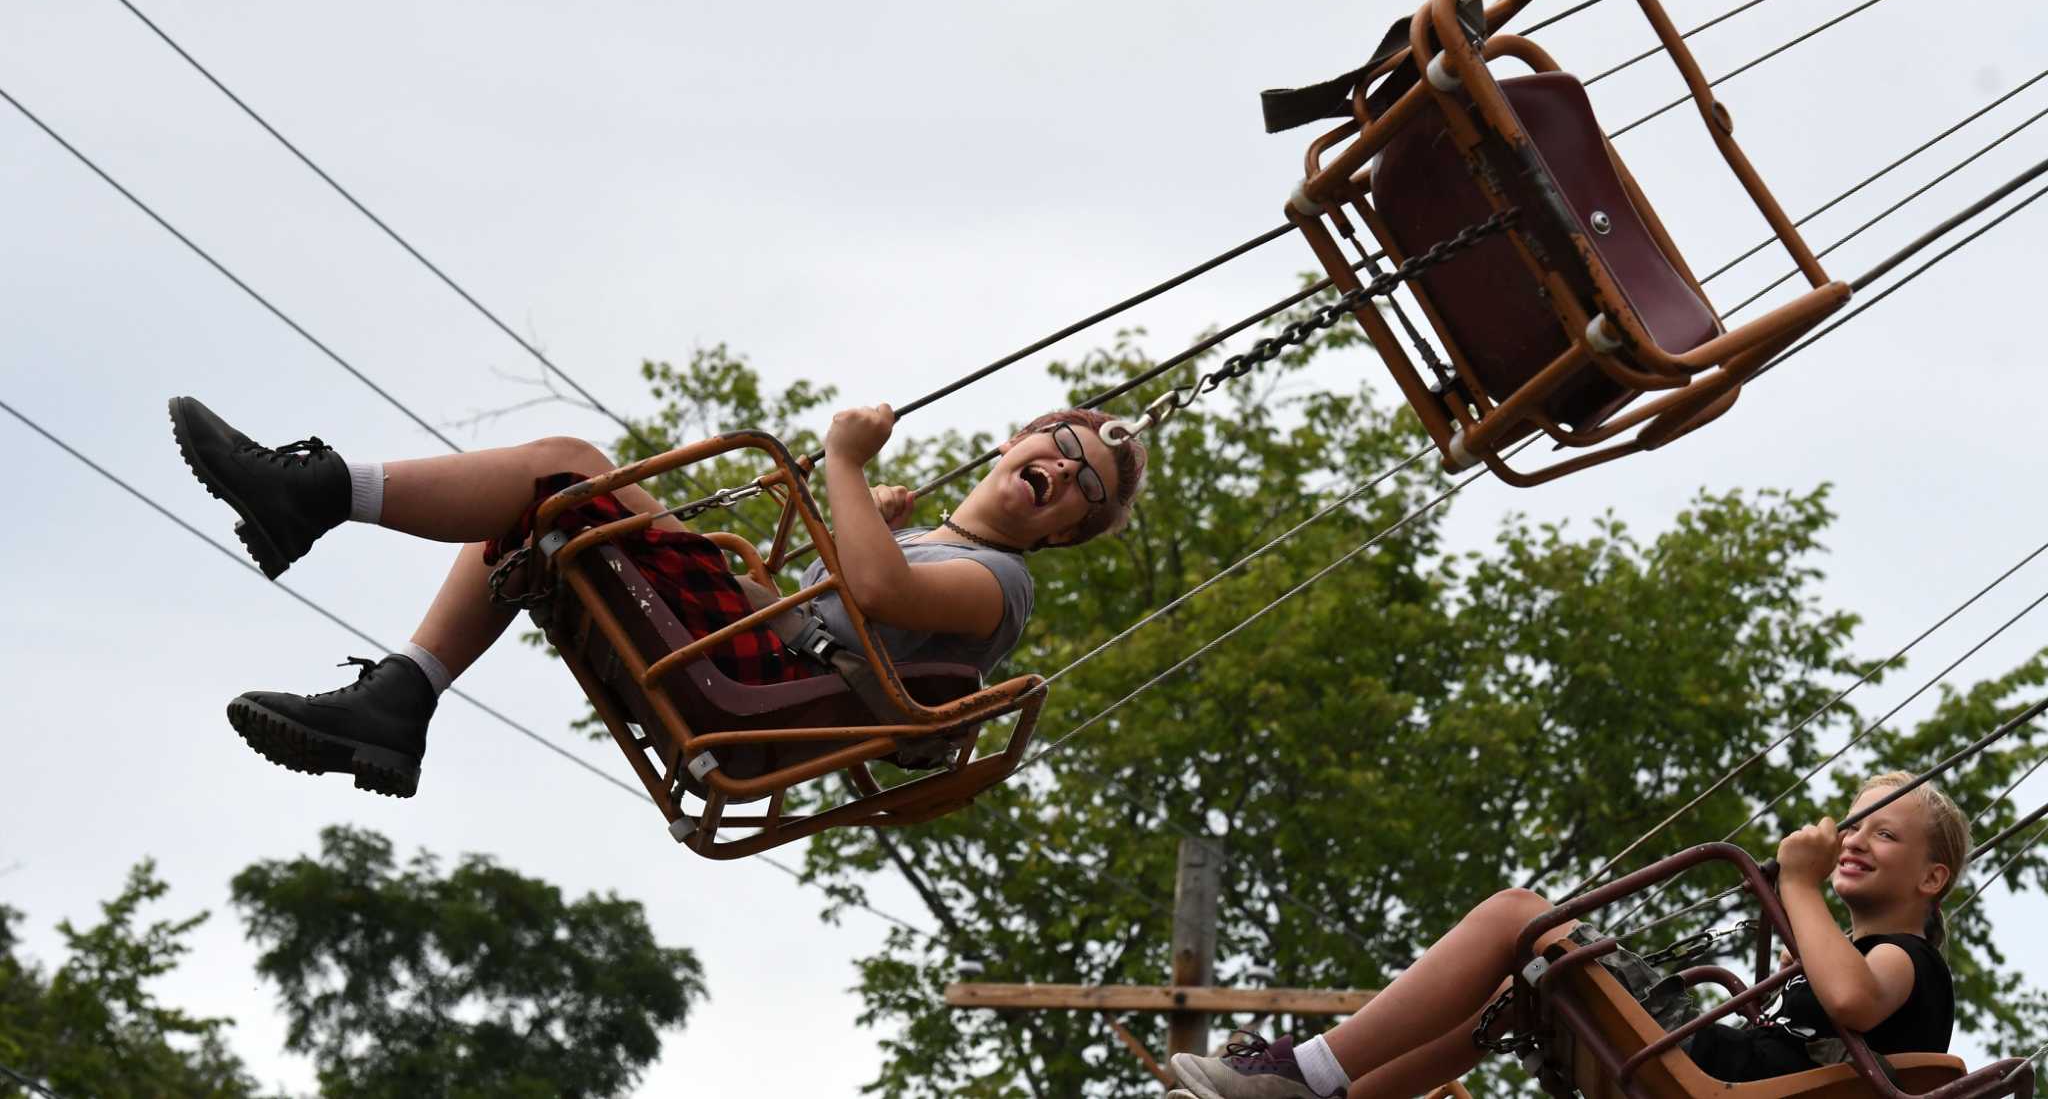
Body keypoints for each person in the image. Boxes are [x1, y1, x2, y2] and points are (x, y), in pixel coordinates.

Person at [168, 395, 1144, 797]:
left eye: (1083, 488)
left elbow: (875, 593)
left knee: (564, 468)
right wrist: (859, 518)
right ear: (1017, 439)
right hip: (749, 666)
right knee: (542, 506)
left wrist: (843, 468)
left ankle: (314, 495)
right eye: (1056, 448)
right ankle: (399, 698)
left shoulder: (1000, 586)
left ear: (1064, 531)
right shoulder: (924, 543)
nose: (1060, 474)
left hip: (749, 684)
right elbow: (835, 598)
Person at [1167, 772, 1969, 1099]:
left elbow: (1857, 1003)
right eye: (1853, 824)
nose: (1856, 839)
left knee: (1521, 913)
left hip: (1714, 1069)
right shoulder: (1858, 953)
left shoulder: (1907, 959)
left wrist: (1796, 883)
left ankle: (1302, 1073)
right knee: (1516, 993)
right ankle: (1331, 1091)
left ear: (1932, 879)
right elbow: (1836, 1009)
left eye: (1885, 835)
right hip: (1726, 1064)